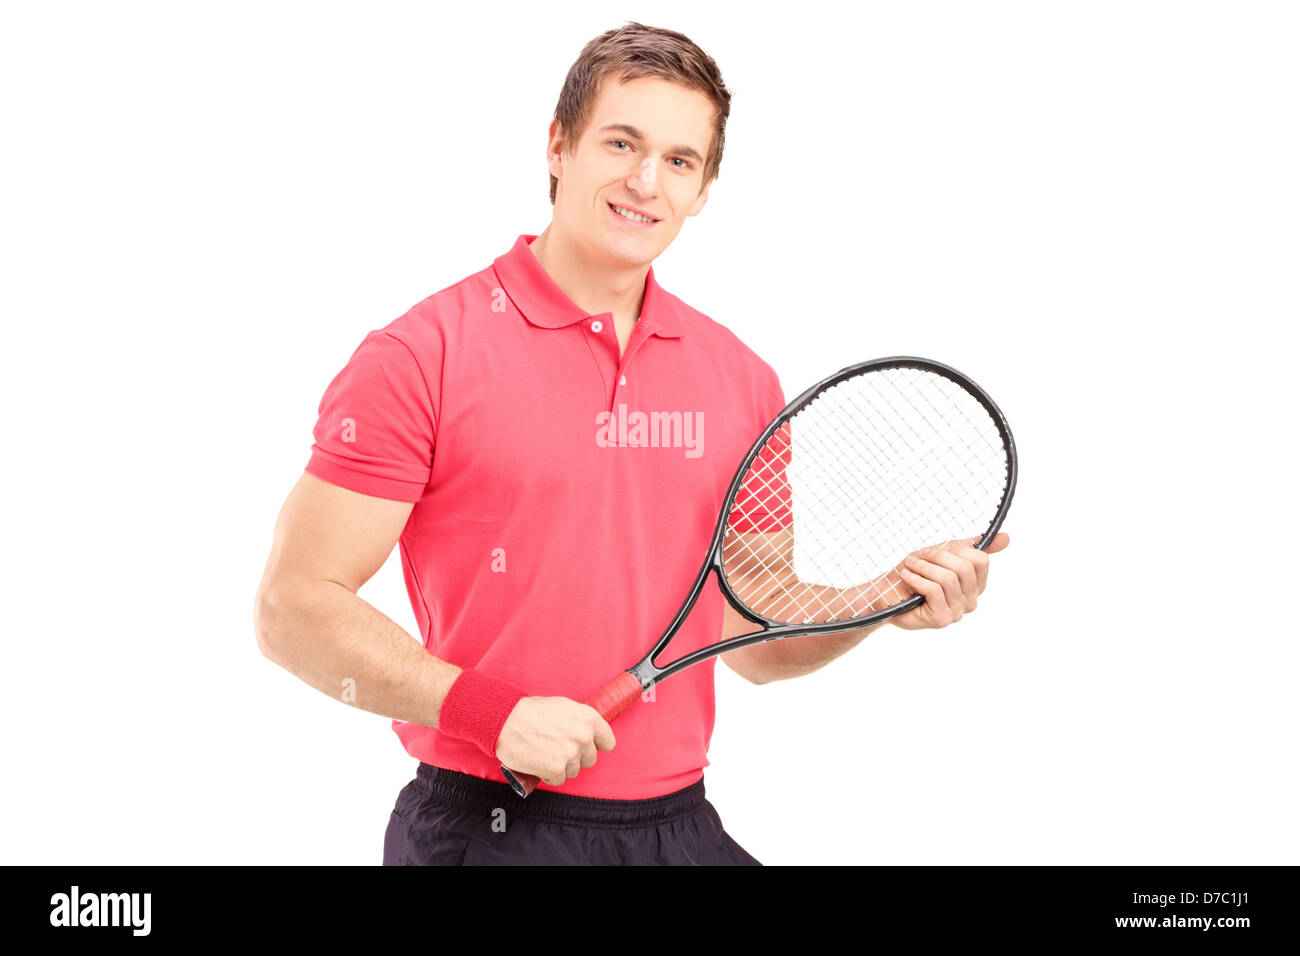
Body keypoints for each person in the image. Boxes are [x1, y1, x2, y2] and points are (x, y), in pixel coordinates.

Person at [253, 21, 1009, 866]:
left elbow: (752, 630)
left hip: (677, 827)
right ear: (557, 146)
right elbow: (293, 607)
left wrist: (879, 599)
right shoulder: (422, 355)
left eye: (680, 161)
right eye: (622, 142)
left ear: (704, 188)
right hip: (491, 827)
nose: (646, 181)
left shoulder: (741, 378)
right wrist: (489, 713)